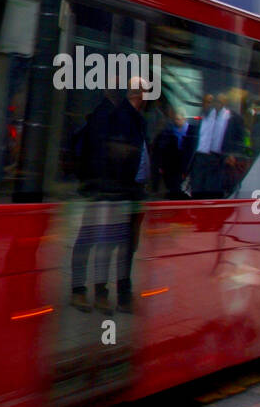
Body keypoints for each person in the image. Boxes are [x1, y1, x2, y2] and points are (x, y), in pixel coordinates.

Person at [70, 77, 148, 314]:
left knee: (114, 243)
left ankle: (100, 293)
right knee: (97, 241)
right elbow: (108, 154)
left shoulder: (130, 117)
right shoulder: (110, 115)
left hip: (124, 192)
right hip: (110, 191)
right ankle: (87, 292)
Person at [151, 103, 193, 199]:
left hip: (184, 168)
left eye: (178, 119)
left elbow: (190, 151)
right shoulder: (169, 131)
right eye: (175, 119)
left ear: (184, 118)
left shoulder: (191, 131)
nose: (176, 121)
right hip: (171, 168)